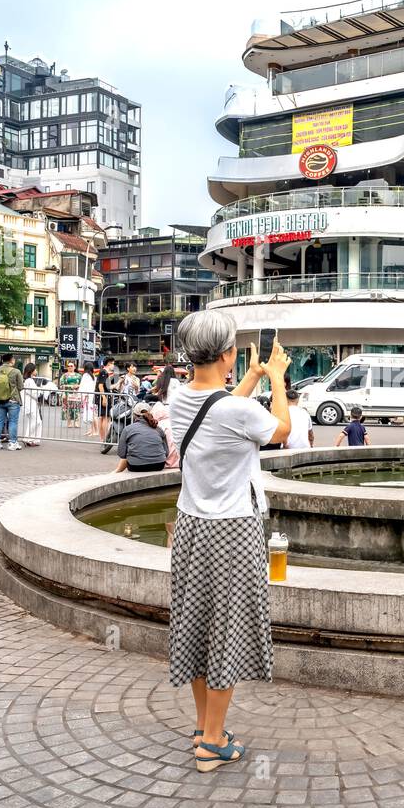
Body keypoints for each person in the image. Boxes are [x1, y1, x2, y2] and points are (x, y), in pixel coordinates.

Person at [166, 310, 291, 773]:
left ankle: (204, 727)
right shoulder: (238, 410)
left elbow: (220, 411)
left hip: (192, 526)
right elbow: (281, 430)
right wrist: (276, 378)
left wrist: (253, 376)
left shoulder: (181, 397)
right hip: (232, 530)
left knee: (198, 627)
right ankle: (212, 743)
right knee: (228, 632)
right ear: (227, 354)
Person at [113, 402, 171, 473]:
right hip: (159, 464)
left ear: (134, 415)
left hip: (136, 466)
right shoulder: (158, 429)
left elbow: (121, 453)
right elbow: (166, 452)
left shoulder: (128, 429)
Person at [0, 354, 24, 451]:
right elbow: (21, 387)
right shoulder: (16, 371)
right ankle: (12, 443)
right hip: (13, 400)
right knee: (13, 421)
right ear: (11, 360)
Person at [19, 361, 44, 446]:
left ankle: (31, 439)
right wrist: (40, 391)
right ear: (32, 370)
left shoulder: (28, 380)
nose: (36, 371)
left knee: (34, 421)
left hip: (29, 403)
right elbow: (33, 393)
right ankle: (28, 438)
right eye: (35, 369)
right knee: (36, 421)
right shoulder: (29, 380)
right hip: (30, 404)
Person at [76, 363, 98, 435]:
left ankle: (95, 431)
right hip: (91, 396)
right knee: (92, 413)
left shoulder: (85, 376)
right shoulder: (93, 377)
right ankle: (92, 430)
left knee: (92, 414)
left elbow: (82, 386)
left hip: (87, 396)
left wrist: (80, 394)